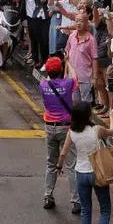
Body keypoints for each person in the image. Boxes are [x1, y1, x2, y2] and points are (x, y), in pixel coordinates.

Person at [56, 102, 113, 224]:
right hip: (97, 172)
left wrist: (59, 166)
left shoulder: (72, 132)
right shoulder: (96, 130)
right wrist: (111, 117)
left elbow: (63, 152)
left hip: (80, 172)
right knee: (105, 208)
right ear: (88, 115)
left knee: (85, 209)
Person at [41, 56, 80, 212]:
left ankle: (48, 196)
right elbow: (75, 77)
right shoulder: (68, 84)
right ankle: (76, 201)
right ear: (60, 70)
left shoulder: (43, 85)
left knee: (51, 163)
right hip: (66, 129)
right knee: (71, 165)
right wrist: (69, 62)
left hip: (49, 128)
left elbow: (49, 77)